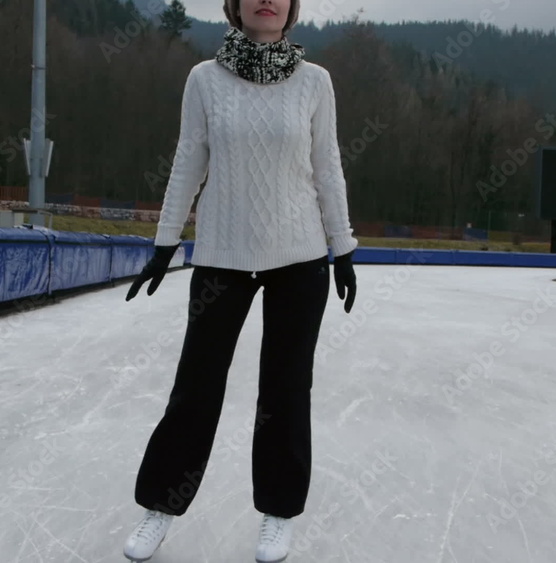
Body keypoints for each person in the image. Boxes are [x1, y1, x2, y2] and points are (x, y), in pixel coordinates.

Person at [120, 0, 359, 560]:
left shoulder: (315, 82)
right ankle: (160, 505)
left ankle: (277, 513)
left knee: (284, 390)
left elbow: (327, 164)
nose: (267, 0)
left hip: (299, 259)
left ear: (292, 9)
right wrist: (165, 241)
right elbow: (188, 162)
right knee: (196, 388)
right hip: (222, 256)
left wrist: (342, 246)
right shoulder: (204, 80)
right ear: (234, 6)